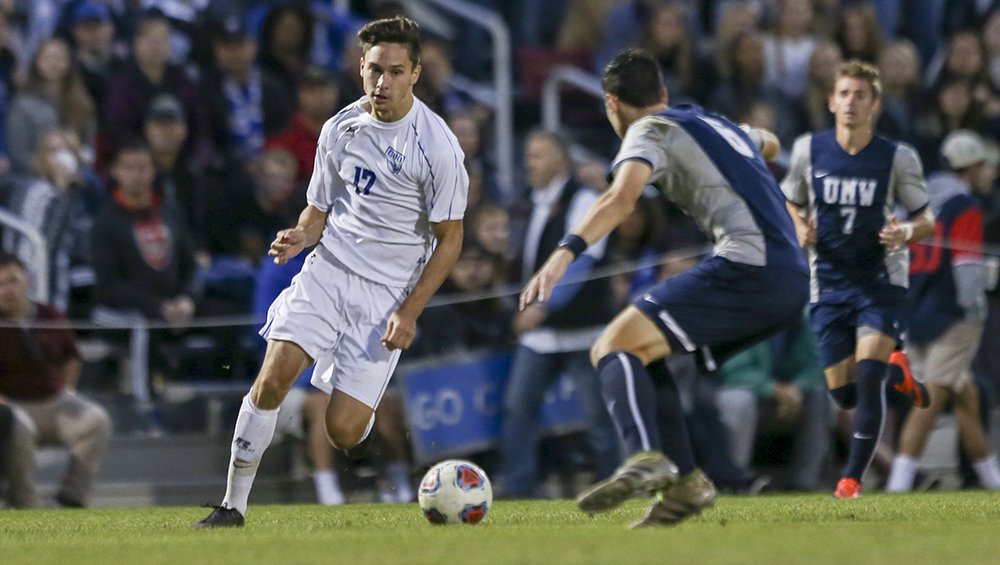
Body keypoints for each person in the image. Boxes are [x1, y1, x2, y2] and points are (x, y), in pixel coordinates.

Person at [193, 16, 467, 528]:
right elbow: (316, 212)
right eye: (375, 70)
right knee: (271, 381)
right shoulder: (339, 127)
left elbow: (450, 240)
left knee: (343, 430)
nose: (383, 82)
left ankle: (357, 419)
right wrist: (300, 235)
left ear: (416, 74)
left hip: (385, 297)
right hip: (329, 271)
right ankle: (232, 506)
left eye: (396, 71)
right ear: (360, 67)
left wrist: (409, 312)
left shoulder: (438, 147)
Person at [520, 49, 808, 527]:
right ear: (664, 94)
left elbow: (620, 198)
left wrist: (562, 253)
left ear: (611, 102)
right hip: (789, 276)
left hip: (748, 266)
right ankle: (687, 487)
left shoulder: (647, 131)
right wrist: (746, 143)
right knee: (642, 350)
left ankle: (646, 456)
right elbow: (772, 143)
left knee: (610, 346)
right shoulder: (712, 123)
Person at [781, 60, 936, 499]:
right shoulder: (809, 150)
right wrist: (799, 227)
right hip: (828, 283)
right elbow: (791, 201)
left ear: (876, 105)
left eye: (860, 95)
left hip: (879, 279)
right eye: (844, 94)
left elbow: (927, 219)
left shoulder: (897, 156)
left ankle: (850, 480)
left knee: (867, 379)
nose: (851, 102)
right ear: (831, 102)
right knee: (844, 397)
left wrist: (904, 231)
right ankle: (898, 367)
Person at [499, 130, 621, 499]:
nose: (528, 163)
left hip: (582, 330)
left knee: (598, 419)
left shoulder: (584, 199)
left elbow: (582, 262)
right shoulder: (527, 203)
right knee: (517, 408)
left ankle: (617, 484)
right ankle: (519, 488)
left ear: (560, 160)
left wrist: (542, 307)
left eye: (537, 156)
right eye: (528, 154)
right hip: (541, 337)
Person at [886, 131, 1000, 492]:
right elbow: (966, 268)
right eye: (986, 165)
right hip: (952, 315)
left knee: (965, 396)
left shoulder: (912, 205)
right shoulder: (963, 204)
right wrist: (976, 308)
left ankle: (991, 477)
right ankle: (898, 483)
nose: (991, 173)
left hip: (916, 313)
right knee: (931, 399)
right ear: (971, 165)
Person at [0, 253, 112, 508]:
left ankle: (74, 495)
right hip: (10, 404)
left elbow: (72, 356)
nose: (7, 290)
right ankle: (24, 503)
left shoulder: (49, 314)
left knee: (95, 420)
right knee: (19, 428)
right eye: (0, 284)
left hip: (52, 401)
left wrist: (68, 390)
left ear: (26, 280)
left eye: (12, 281)